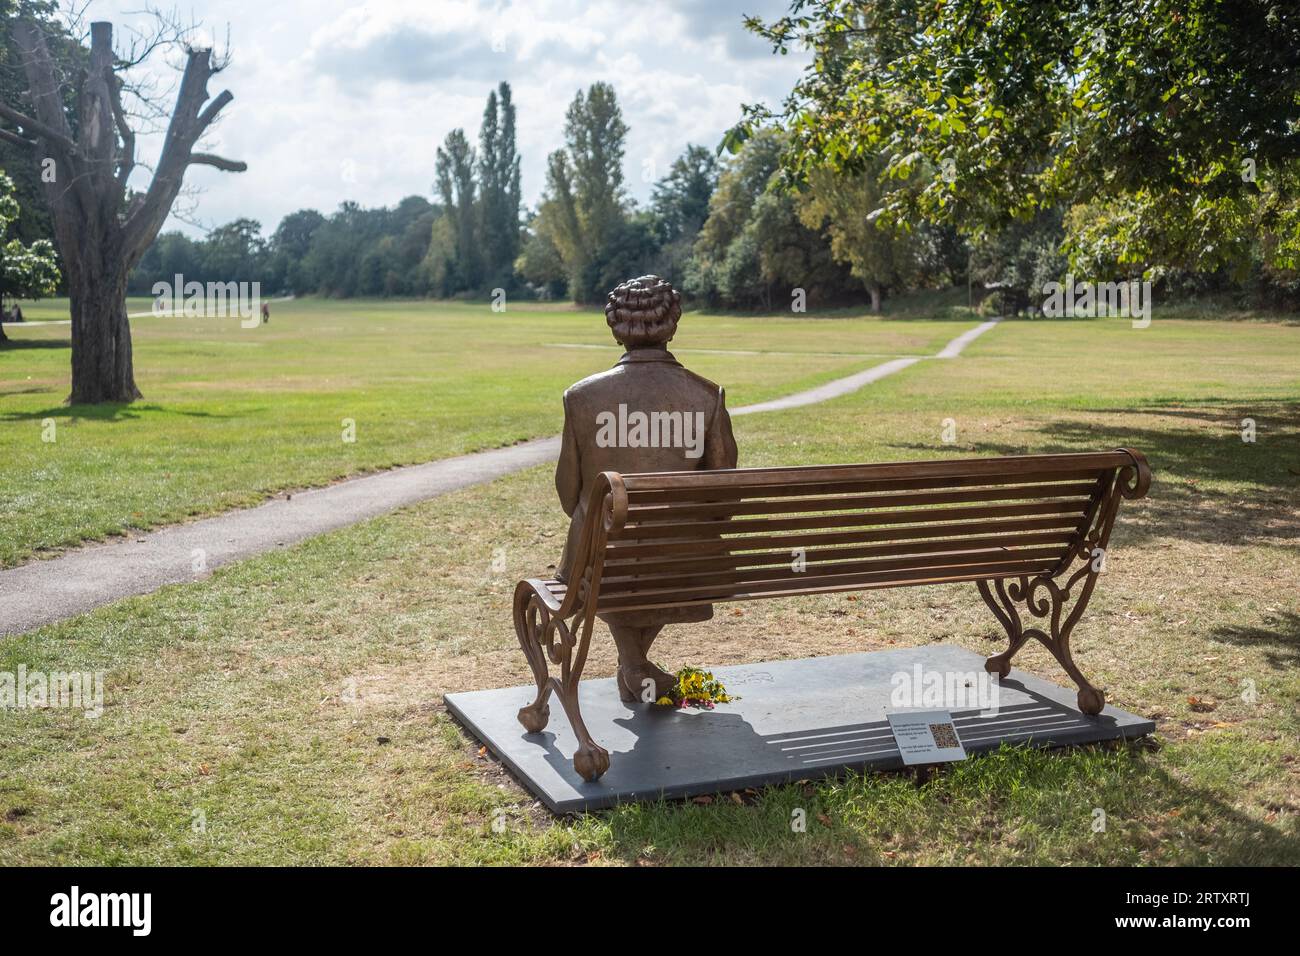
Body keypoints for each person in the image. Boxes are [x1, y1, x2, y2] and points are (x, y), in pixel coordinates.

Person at [554, 275, 738, 702]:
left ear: (615, 327)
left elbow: (568, 496)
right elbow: (724, 500)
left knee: (606, 543)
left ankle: (633, 663)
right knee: (662, 555)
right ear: (673, 323)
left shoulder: (580, 397)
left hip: (597, 561)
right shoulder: (707, 396)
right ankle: (635, 664)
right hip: (680, 565)